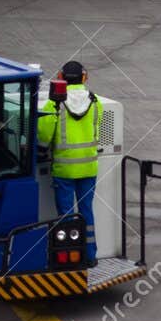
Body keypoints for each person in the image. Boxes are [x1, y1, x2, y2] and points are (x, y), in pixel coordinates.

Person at [37, 60, 102, 263]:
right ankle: (90, 256)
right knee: (86, 212)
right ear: (84, 77)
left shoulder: (54, 103)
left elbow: (44, 136)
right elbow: (96, 132)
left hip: (64, 169)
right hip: (89, 167)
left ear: (61, 77)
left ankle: (69, 256)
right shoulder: (95, 101)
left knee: (66, 215)